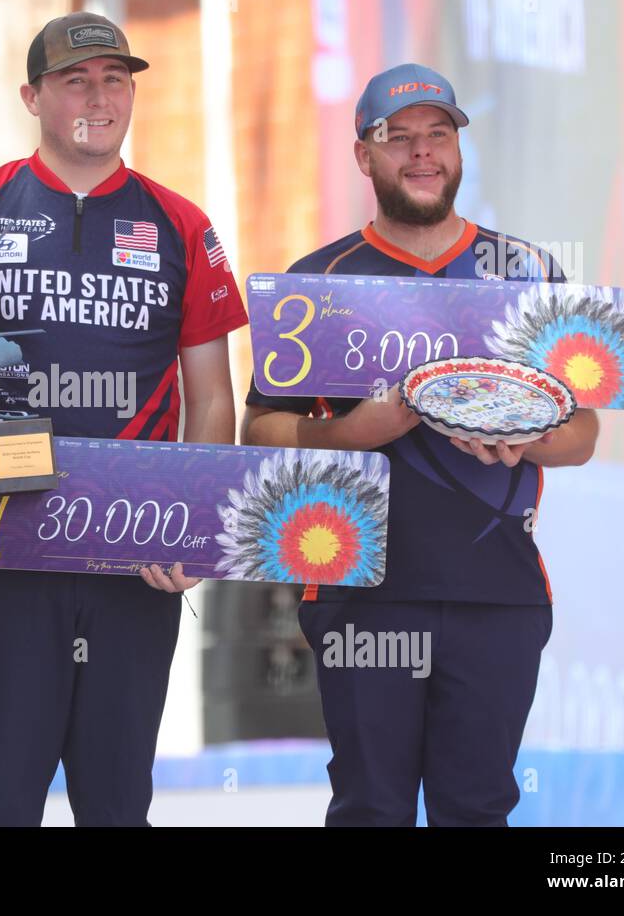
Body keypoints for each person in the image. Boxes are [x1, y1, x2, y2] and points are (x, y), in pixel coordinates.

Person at [0, 12, 248, 826]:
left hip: (133, 553)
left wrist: (194, 524)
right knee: (3, 802)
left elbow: (214, 395)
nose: (99, 95)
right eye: (76, 79)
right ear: (33, 95)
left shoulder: (182, 223)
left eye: (116, 78)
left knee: (116, 806)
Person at [243, 63, 599, 826]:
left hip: (498, 593)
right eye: (397, 137)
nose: (421, 152)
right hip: (361, 595)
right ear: (363, 156)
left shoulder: (529, 272)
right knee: (373, 807)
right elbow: (260, 434)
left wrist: (527, 436)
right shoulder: (319, 281)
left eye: (438, 133)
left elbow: (583, 435)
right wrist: (349, 434)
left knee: (476, 808)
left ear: (458, 146)